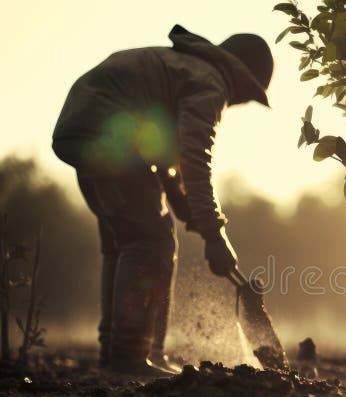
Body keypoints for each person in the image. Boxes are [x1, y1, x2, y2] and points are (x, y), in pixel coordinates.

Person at [52, 25, 273, 375]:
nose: (242, 102)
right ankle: (132, 357)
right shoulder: (211, 80)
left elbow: (166, 159)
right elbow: (196, 158)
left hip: (80, 133)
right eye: (249, 95)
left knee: (121, 242)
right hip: (107, 134)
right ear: (243, 77)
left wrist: (187, 209)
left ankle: (115, 354)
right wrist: (216, 235)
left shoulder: (181, 68)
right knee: (151, 241)